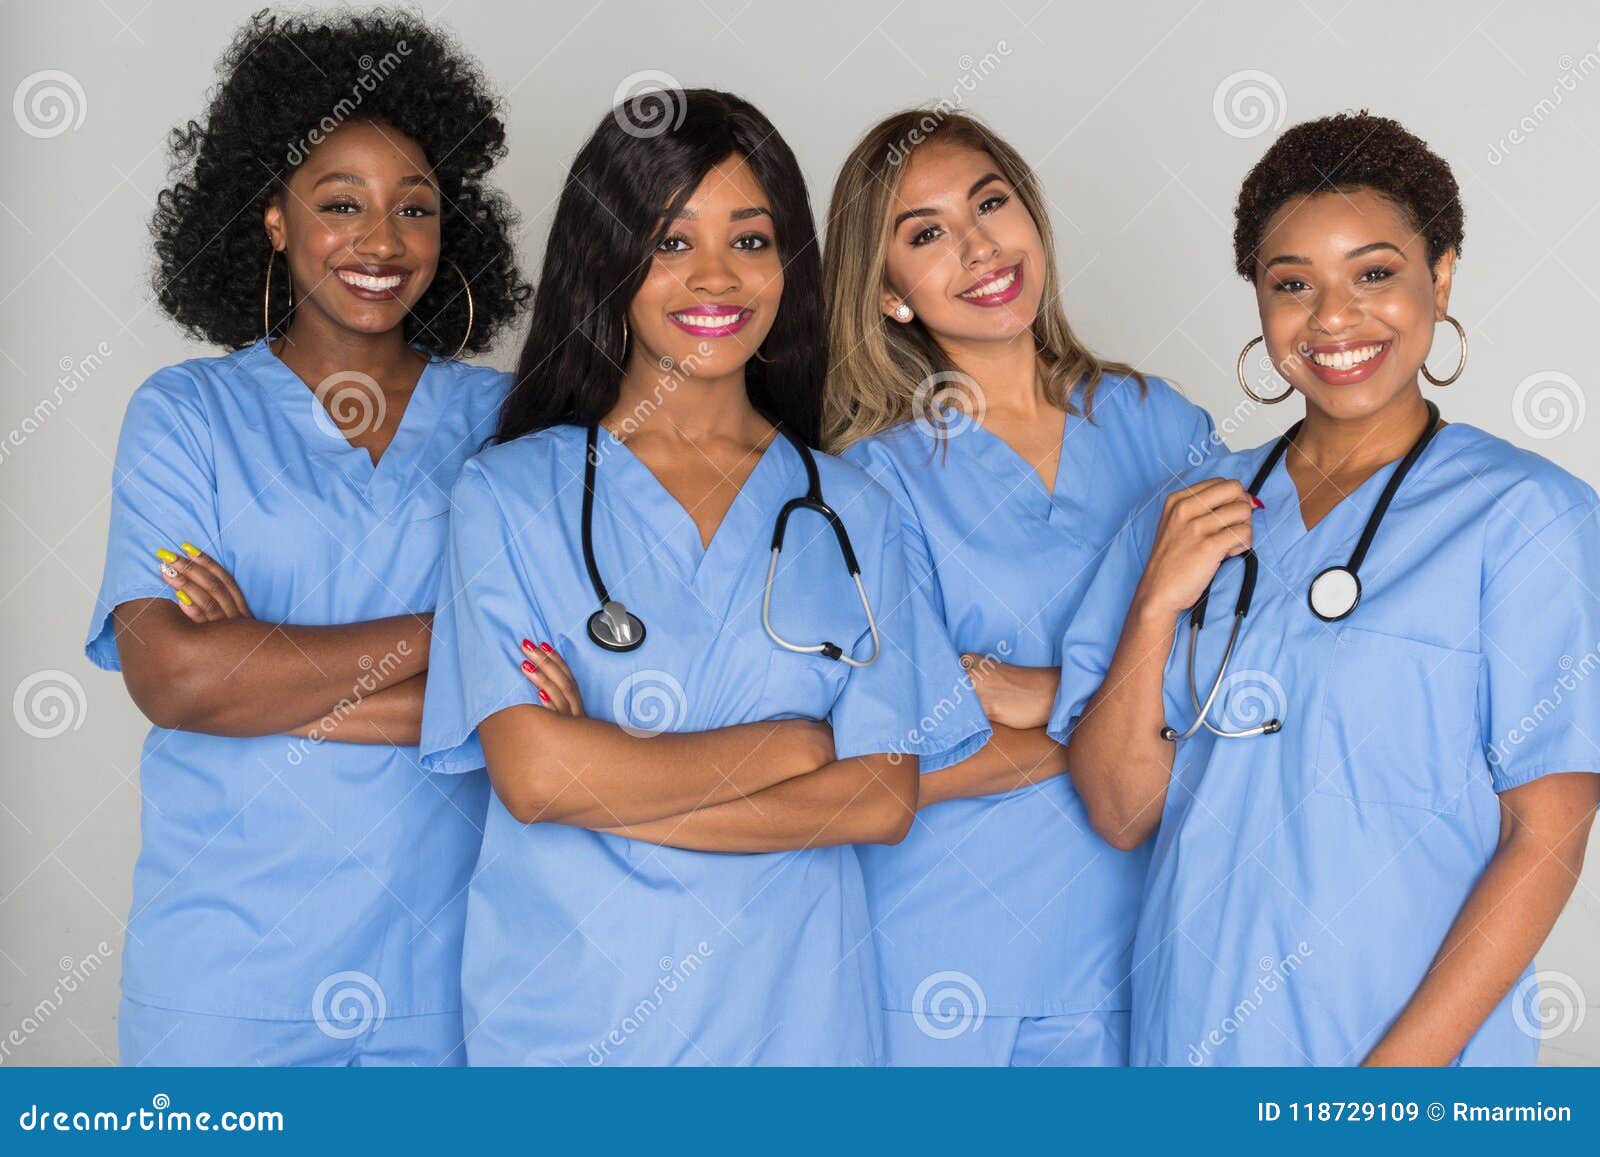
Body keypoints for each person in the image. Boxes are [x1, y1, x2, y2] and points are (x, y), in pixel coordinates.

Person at [418, 89, 971, 1066]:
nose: (716, 275)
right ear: (610, 260)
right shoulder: (508, 494)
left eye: (750, 240)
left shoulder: (852, 508)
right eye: (671, 242)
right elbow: (535, 777)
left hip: (797, 1033)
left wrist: (611, 778)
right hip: (573, 1029)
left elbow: (882, 798)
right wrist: (791, 746)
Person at [1057, 111, 1600, 1066]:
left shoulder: (1526, 516)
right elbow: (1123, 811)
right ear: (1260, 303)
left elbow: (1546, 836)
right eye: (1293, 284)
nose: (1334, 318)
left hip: (1408, 1070)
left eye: (1375, 274)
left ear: (1441, 276)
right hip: (1193, 1038)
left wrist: (1387, 1090)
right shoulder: (1184, 513)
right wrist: (1154, 607)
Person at [83, 10, 529, 1066]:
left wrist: (262, 672)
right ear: (275, 220)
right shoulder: (186, 413)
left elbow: (542, 701)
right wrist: (449, 638)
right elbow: (177, 680)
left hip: (449, 983)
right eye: (340, 204)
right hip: (224, 983)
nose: (382, 241)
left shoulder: (509, 422)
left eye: (413, 208)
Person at [825, 109, 1216, 1066]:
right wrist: (1140, 720)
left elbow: (1251, 679)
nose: (979, 246)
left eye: (990, 204)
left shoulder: (1161, 426)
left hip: (1148, 947)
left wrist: (1043, 695)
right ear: (887, 293)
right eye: (926, 234)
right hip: (945, 965)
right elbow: (907, 766)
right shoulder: (874, 480)